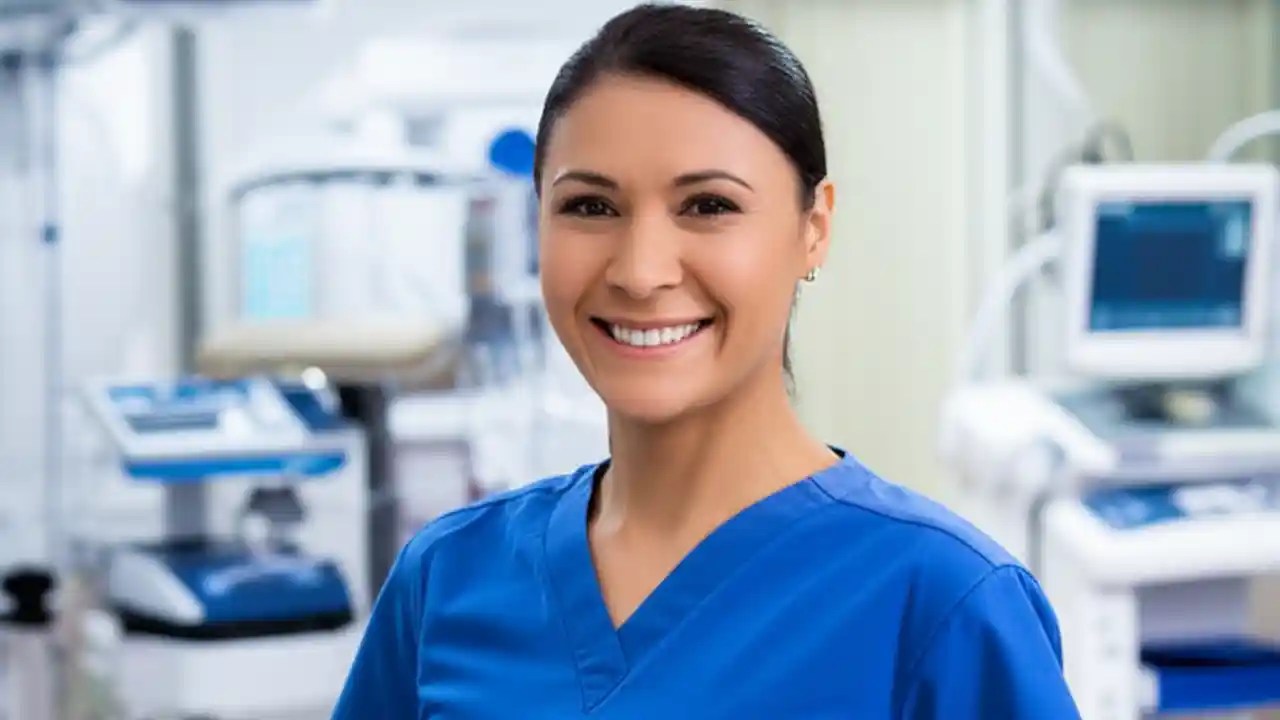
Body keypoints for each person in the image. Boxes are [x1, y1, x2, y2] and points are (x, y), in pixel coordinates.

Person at [332, 4, 1081, 718]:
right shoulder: (446, 581)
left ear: (814, 228)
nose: (640, 270)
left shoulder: (941, 603)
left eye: (709, 206)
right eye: (590, 207)